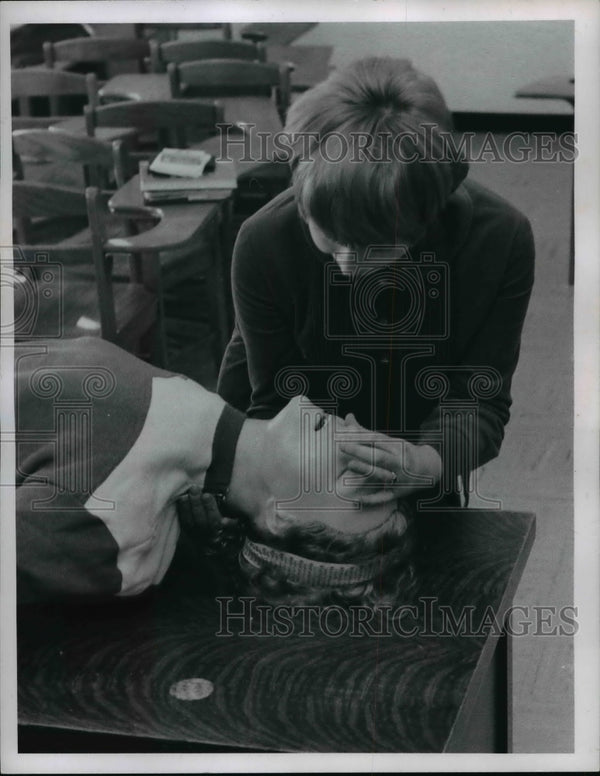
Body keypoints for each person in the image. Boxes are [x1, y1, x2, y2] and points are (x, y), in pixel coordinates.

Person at [217, 57, 535, 505]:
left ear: (428, 214)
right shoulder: (264, 241)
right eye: (331, 237)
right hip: (293, 463)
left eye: (373, 247)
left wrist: (426, 463)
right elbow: (271, 402)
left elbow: (478, 399)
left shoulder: (499, 239)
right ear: (303, 188)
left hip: (425, 462)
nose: (348, 264)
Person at [15, 337, 413, 606]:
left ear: (281, 517)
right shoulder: (188, 416)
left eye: (358, 475)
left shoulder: (119, 522)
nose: (358, 430)